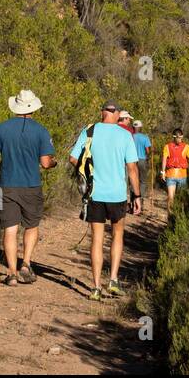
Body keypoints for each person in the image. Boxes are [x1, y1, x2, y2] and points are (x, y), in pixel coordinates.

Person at [0, 89, 56, 286]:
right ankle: (26, 263)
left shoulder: (2, 128)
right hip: (32, 185)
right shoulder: (41, 130)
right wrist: (54, 163)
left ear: (16, 107)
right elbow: (46, 163)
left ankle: (11, 273)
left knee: (9, 229)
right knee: (31, 225)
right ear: (33, 108)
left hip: (5, 186)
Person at [70, 102, 142, 300]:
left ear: (101, 113)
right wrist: (136, 195)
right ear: (117, 115)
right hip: (117, 195)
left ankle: (95, 287)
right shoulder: (125, 135)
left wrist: (87, 169)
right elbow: (132, 168)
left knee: (97, 239)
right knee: (117, 235)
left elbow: (73, 158)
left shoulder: (89, 131)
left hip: (94, 194)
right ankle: (112, 280)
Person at [160, 128, 189, 211]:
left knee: (181, 199)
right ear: (174, 137)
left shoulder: (186, 147)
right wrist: (163, 172)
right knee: (171, 197)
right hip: (171, 174)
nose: (179, 139)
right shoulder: (167, 147)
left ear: (182, 137)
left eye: (180, 138)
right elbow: (164, 160)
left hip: (182, 175)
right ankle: (170, 218)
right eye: (177, 137)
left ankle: (179, 217)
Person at [131, 120, 153, 196]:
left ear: (133, 127)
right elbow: (147, 151)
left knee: (133, 179)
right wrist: (149, 155)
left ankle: (133, 200)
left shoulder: (130, 136)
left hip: (132, 161)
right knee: (143, 181)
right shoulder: (145, 137)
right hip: (142, 160)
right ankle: (141, 198)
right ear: (140, 128)